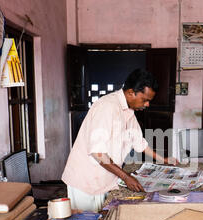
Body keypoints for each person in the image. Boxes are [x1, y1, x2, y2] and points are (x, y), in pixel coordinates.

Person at [62, 69, 176, 212]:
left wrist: (162, 159)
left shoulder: (129, 111)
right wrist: (125, 177)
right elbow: (98, 153)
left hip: (104, 178)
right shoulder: (107, 107)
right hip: (85, 180)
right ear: (130, 92)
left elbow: (139, 143)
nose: (147, 105)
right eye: (145, 99)